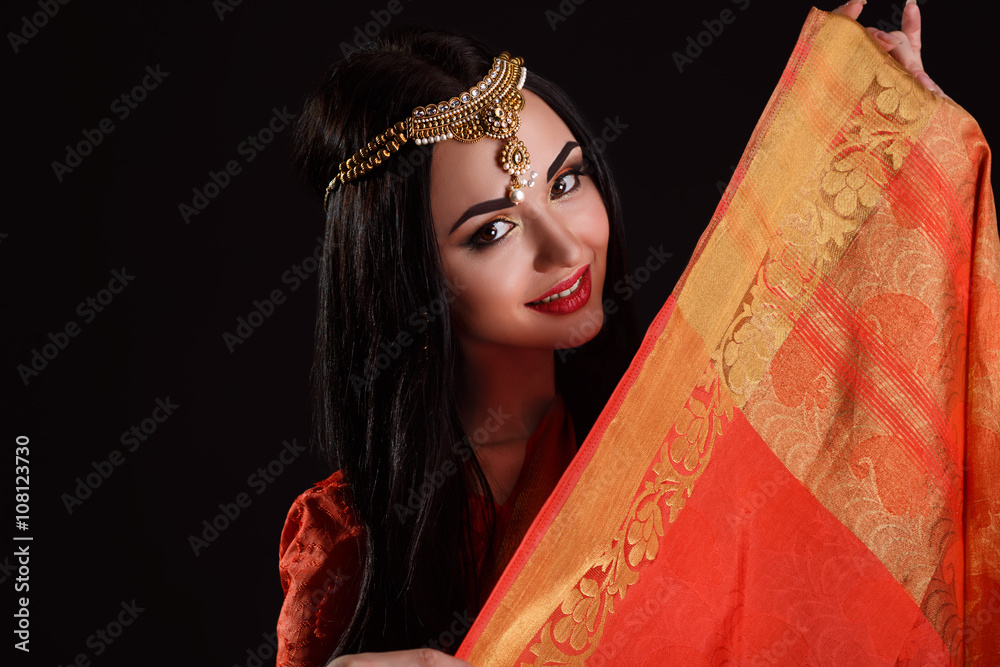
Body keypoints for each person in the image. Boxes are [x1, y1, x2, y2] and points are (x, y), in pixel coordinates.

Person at [278, 2, 950, 665]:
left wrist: (916, 158)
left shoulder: (684, 445)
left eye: (567, 181)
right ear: (405, 279)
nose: (564, 246)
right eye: (492, 230)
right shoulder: (349, 541)